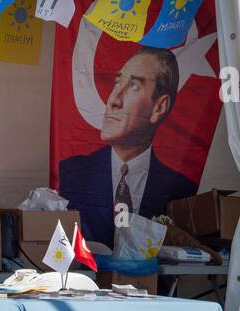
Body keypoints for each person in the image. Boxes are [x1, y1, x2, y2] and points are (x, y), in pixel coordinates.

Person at [58, 45, 195, 246]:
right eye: (117, 83)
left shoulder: (180, 190)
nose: (113, 99)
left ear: (159, 107)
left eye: (133, 86)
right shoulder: (74, 173)